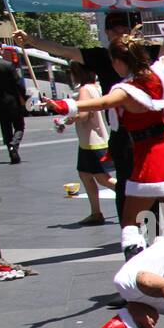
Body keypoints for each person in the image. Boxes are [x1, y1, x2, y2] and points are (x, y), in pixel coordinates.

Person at [44, 0, 164, 257]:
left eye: (113, 61)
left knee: (129, 224)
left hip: (147, 156)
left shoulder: (125, 90)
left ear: (120, 62)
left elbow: (98, 103)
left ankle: (140, 273)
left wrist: (62, 105)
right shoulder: (159, 72)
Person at [14, 12, 137, 221]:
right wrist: (31, 40)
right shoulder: (101, 60)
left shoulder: (144, 56)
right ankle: (130, 232)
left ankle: (149, 231)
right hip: (122, 134)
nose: (123, 33)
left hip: (148, 135)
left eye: (127, 30)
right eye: (117, 30)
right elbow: (63, 50)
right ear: (107, 33)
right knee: (124, 185)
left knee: (143, 186)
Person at [59, 62, 117, 225]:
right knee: (85, 175)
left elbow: (84, 115)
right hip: (91, 140)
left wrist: (69, 118)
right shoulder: (95, 87)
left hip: (92, 141)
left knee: (103, 179)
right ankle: (95, 212)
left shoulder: (84, 90)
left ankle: (133, 195)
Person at [0, 40, 26, 164]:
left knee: (5, 128)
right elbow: (18, 84)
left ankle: (11, 152)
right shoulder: (8, 65)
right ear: (0, 50)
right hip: (12, 101)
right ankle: (14, 145)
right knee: (19, 126)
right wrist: (26, 98)